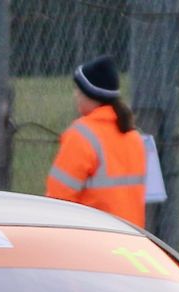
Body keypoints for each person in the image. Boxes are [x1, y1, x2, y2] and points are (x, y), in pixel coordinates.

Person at [45, 55, 148, 228]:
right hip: (130, 238)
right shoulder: (133, 136)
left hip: (92, 240)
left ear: (91, 95)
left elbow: (58, 199)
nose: (75, 95)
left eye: (79, 90)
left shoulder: (81, 135)